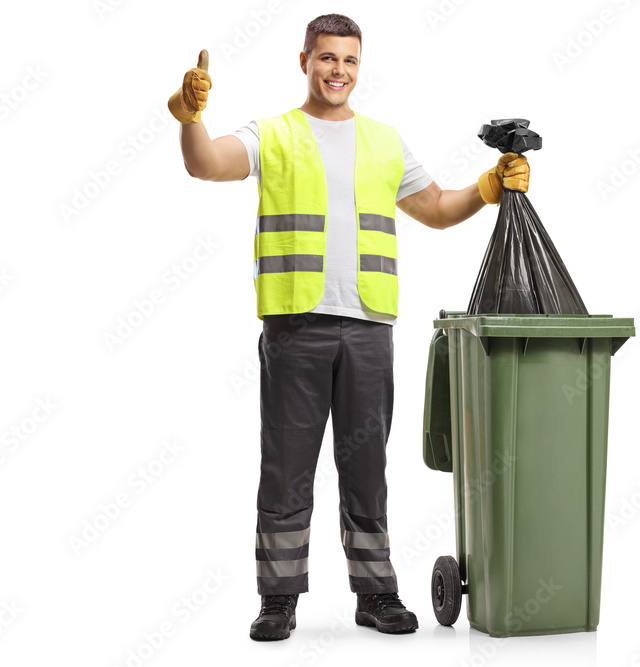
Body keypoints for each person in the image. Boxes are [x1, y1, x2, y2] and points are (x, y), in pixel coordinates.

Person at [168, 13, 529, 641]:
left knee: (366, 465)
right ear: (304, 60)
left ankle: (375, 593)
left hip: (366, 329)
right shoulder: (273, 134)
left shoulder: (384, 142)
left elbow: (439, 209)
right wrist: (188, 117)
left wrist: (488, 186)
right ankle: (278, 598)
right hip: (295, 326)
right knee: (286, 466)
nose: (339, 71)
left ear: (360, 67)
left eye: (350, 61)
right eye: (327, 58)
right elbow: (206, 165)